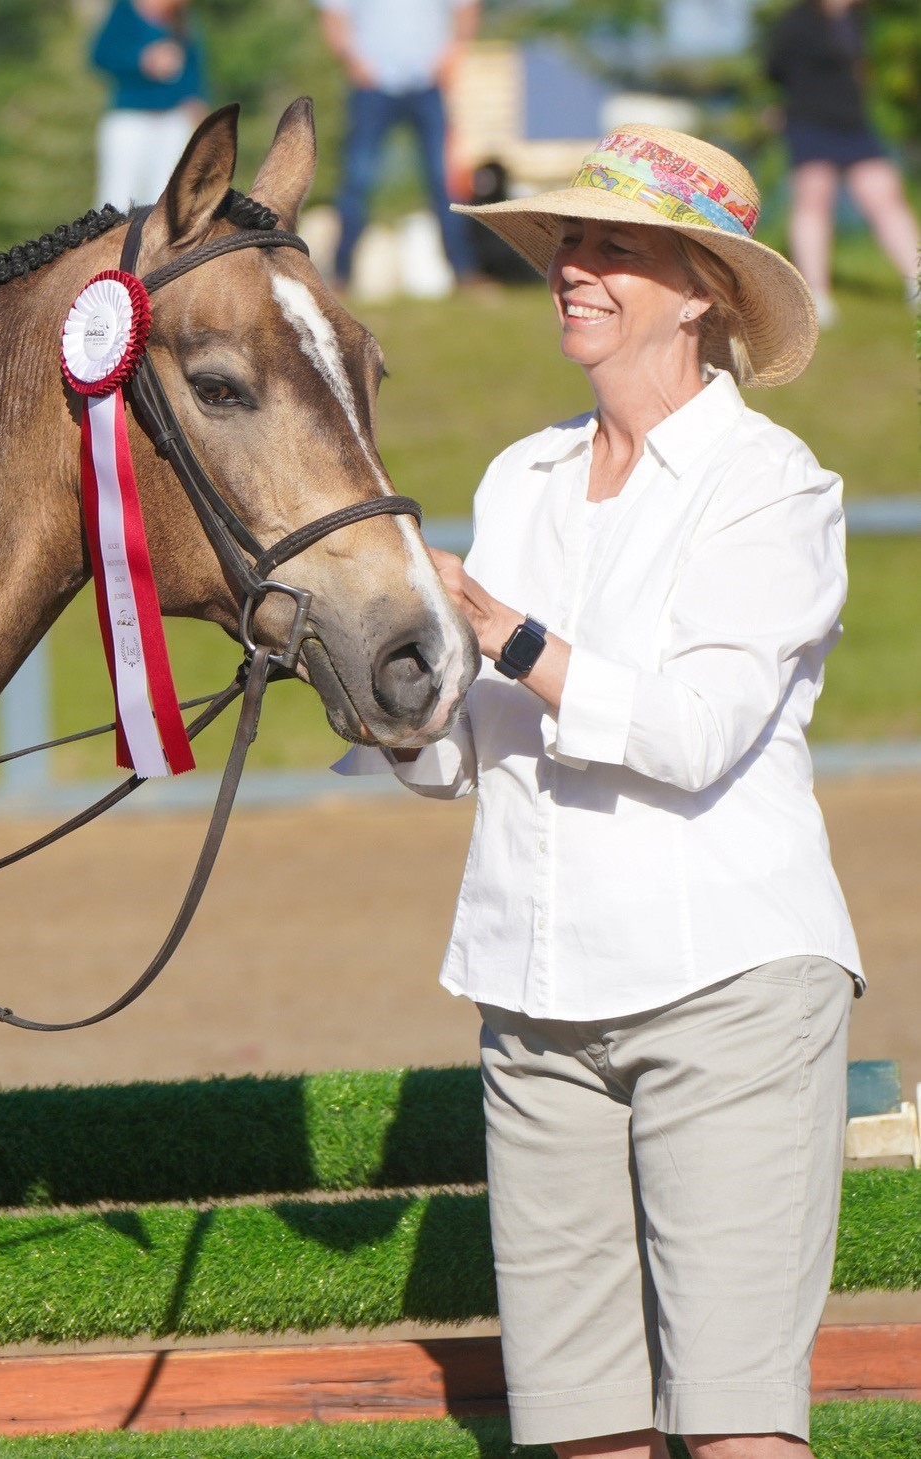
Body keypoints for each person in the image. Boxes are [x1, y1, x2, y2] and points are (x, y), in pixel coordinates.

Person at [339, 125, 860, 1458]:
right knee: (582, 1430)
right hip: (532, 1004)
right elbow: (461, 758)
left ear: (702, 292)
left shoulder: (774, 486)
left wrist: (504, 630)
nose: (572, 266)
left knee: (737, 1426)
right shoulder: (520, 477)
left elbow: (692, 731)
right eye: (567, 242)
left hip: (729, 991)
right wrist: (380, 686)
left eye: (611, 246)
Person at [765, 0, 921, 325]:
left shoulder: (855, 19)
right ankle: (816, 295)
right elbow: (774, 70)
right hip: (809, 120)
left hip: (853, 123)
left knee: (885, 195)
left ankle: (916, 282)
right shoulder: (796, 21)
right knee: (814, 201)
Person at [316, 0, 481, 290]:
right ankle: (340, 275)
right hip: (371, 85)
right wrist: (354, 63)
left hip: (429, 83)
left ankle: (465, 271)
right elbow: (332, 15)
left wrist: (452, 54)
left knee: (444, 180)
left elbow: (467, 7)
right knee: (357, 180)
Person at [89, 0, 210, 212]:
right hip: (130, 118)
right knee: (117, 197)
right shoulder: (124, 12)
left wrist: (196, 99)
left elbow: (193, 67)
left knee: (166, 197)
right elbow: (101, 56)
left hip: (173, 119)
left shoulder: (181, 19)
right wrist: (142, 60)